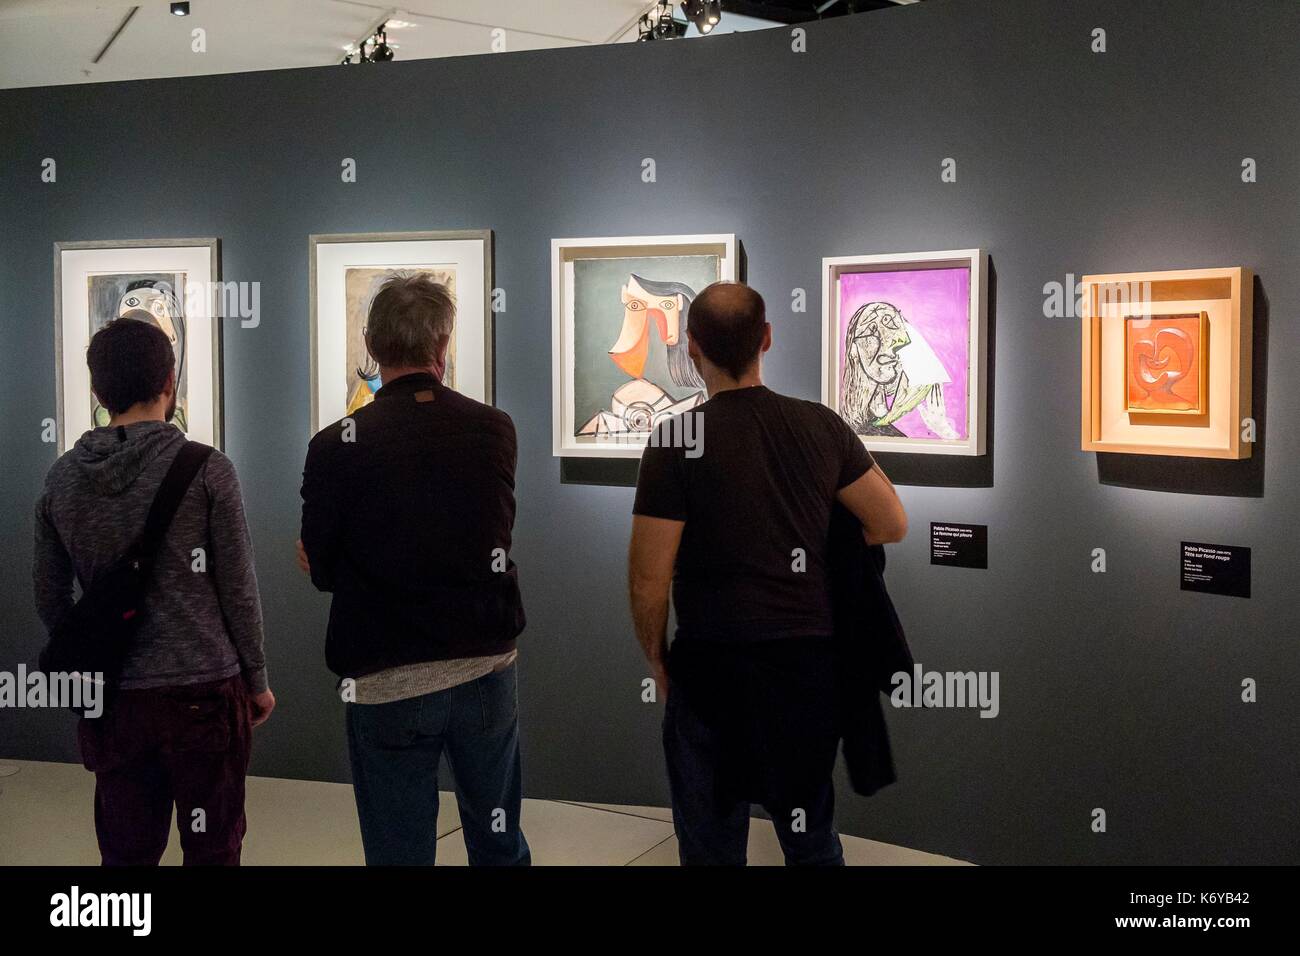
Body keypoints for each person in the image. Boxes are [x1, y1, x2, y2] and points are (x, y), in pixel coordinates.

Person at [629, 281, 908, 866]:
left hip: (710, 667)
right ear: (767, 339)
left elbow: (649, 579)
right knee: (809, 839)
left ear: (692, 347)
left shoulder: (676, 439)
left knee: (710, 842)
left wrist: (658, 660)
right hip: (805, 669)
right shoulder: (819, 425)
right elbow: (891, 523)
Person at [298, 273, 530, 866]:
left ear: (372, 348)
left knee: (398, 851)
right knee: (499, 841)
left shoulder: (335, 444)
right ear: (442, 346)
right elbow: (491, 537)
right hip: (484, 661)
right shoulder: (492, 428)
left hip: (385, 673)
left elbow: (321, 568)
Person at [33, 317, 273, 866]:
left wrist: (96, 651)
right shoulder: (210, 470)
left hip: (116, 700)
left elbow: (50, 598)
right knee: (213, 851)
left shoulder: (62, 480)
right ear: (171, 382)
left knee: (125, 858)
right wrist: (257, 681)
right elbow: (239, 589)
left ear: (98, 392)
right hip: (205, 693)